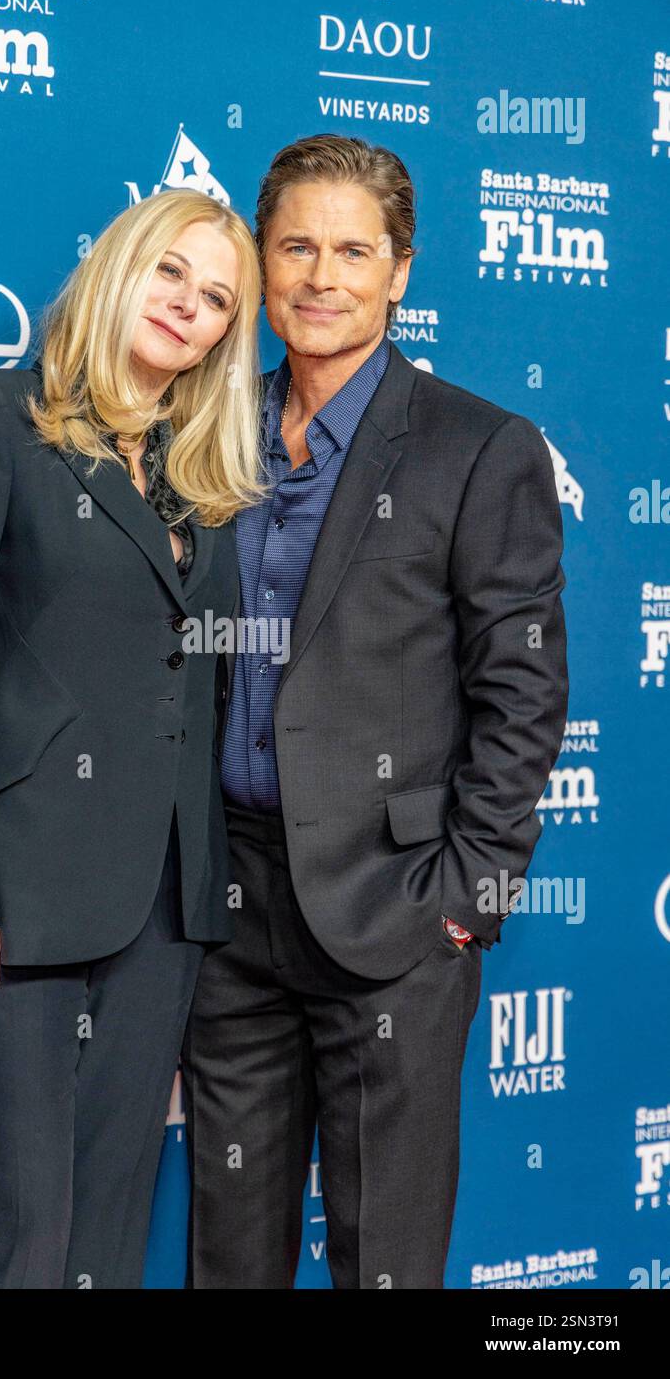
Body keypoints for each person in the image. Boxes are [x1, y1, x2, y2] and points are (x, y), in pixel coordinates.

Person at [180, 134, 569, 1289]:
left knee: (385, 1263)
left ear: (401, 272)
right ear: (260, 259)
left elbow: (525, 689)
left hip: (393, 917)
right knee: (230, 1257)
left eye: (354, 251)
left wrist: (466, 900)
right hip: (229, 913)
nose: (321, 276)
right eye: (296, 245)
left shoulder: (479, 446)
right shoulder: (209, 430)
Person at [0, 188, 265, 1289]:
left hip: (163, 906)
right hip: (13, 898)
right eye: (173, 275)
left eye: (219, 300)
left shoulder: (203, 483)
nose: (190, 308)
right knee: (22, 1238)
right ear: (120, 271)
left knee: (105, 1241)